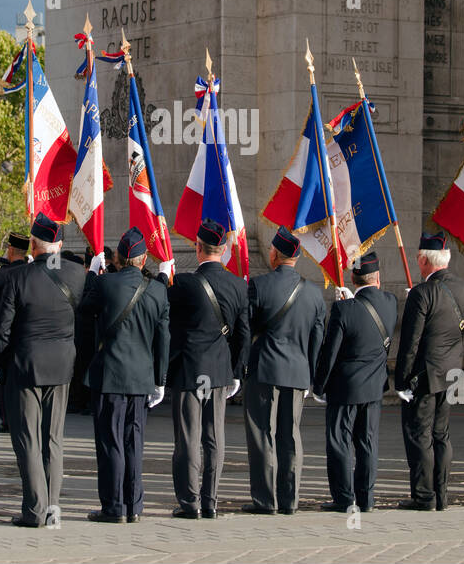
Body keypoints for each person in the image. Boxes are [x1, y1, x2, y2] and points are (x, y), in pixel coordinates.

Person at [0, 213, 87, 528]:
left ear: (32, 244)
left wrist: (4, 367)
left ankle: (34, 510)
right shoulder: (77, 274)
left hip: (25, 366)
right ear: (59, 244)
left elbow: (1, 332)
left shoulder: (16, 277)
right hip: (62, 365)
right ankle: (53, 507)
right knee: (53, 439)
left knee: (28, 439)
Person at [77, 227, 170, 523]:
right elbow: (163, 338)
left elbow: (84, 309)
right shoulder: (157, 290)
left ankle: (114, 506)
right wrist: (160, 379)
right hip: (141, 377)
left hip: (109, 376)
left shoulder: (105, 284)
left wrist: (93, 274)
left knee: (111, 442)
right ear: (143, 261)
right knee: (134, 441)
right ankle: (135, 505)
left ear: (117, 257)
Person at [166, 218, 248, 519]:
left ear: (197, 247)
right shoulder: (238, 285)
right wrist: (237, 370)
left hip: (189, 371)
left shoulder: (184, 284)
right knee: (214, 438)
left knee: (188, 437)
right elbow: (243, 334)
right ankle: (210, 501)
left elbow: (168, 323)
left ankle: (189, 503)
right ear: (223, 249)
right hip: (219, 372)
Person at [243, 226, 325, 515]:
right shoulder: (315, 294)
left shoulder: (259, 285)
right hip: (298, 373)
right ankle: (289, 500)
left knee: (262, 434)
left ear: (274, 253)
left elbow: (247, 329)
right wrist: (311, 376)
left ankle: (266, 500)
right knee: (290, 436)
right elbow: (317, 341)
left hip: (264, 370)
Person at [313, 250, 396, 513]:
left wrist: (318, 386)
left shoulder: (343, 309)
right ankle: (366, 498)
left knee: (339, 441)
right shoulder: (391, 302)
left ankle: (343, 498)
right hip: (374, 386)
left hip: (345, 388)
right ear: (378, 278)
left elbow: (330, 351)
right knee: (367, 442)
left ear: (352, 277)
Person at [394, 231, 464, 511]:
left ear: (425, 261)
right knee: (441, 434)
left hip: (425, 375)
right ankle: (441, 494)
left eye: (418, 258)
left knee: (420, 435)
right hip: (451, 372)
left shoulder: (422, 292)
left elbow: (410, 341)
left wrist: (401, 380)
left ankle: (424, 496)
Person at [0, 231, 30, 432]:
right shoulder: (31, 272)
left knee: (3, 381)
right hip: (25, 334)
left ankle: (6, 419)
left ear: (11, 249)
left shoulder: (2, 275)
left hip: (5, 333)